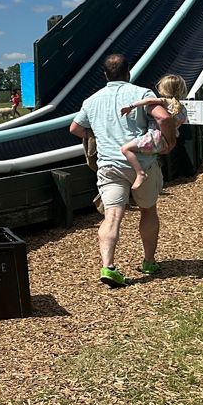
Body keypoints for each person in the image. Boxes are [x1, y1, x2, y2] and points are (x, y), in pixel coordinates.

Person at [69, 54, 176, 287]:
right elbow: (164, 118)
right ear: (128, 72)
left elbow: (75, 128)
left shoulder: (91, 100)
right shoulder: (142, 93)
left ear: (105, 74)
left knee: (112, 216)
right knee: (148, 211)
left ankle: (108, 267)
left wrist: (94, 135)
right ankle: (148, 261)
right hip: (143, 163)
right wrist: (169, 142)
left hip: (109, 165)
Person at [118, 74, 189, 191]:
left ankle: (140, 173)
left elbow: (149, 100)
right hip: (167, 140)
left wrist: (130, 106)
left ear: (163, 89)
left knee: (126, 149)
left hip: (155, 137)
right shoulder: (182, 108)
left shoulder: (165, 102)